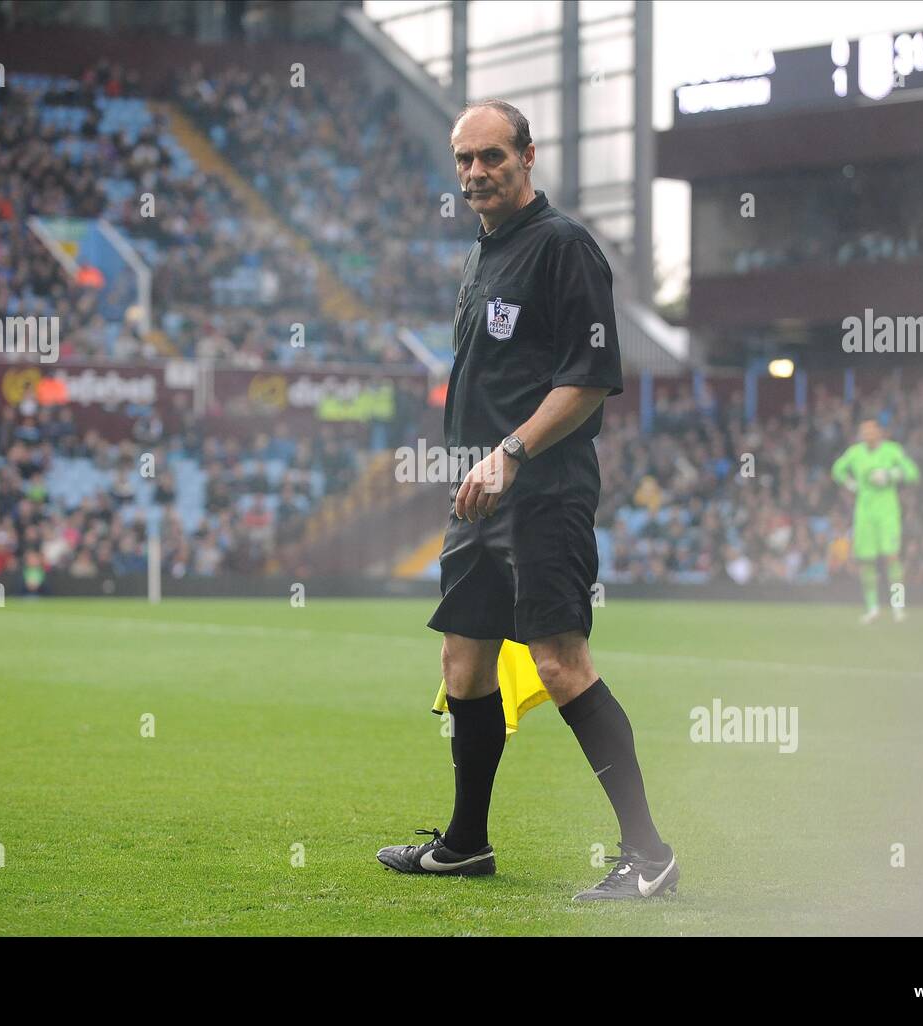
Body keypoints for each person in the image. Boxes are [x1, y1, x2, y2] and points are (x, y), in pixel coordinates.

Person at [376, 100, 677, 901]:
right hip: (480, 493)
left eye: (492, 158)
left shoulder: (565, 247)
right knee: (463, 662)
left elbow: (587, 380)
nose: (476, 173)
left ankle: (650, 856)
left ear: (528, 156)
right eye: (465, 160)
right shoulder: (482, 255)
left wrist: (510, 453)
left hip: (542, 490)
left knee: (560, 663)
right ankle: (466, 845)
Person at [831, 418, 920, 623]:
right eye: (864, 432)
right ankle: (872, 608)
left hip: (888, 513)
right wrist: (850, 484)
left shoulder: (892, 450)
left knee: (891, 557)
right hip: (864, 514)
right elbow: (837, 470)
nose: (867, 435)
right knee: (866, 560)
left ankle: (898, 607)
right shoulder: (855, 452)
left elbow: (913, 473)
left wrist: (891, 475)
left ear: (880, 432)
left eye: (871, 431)